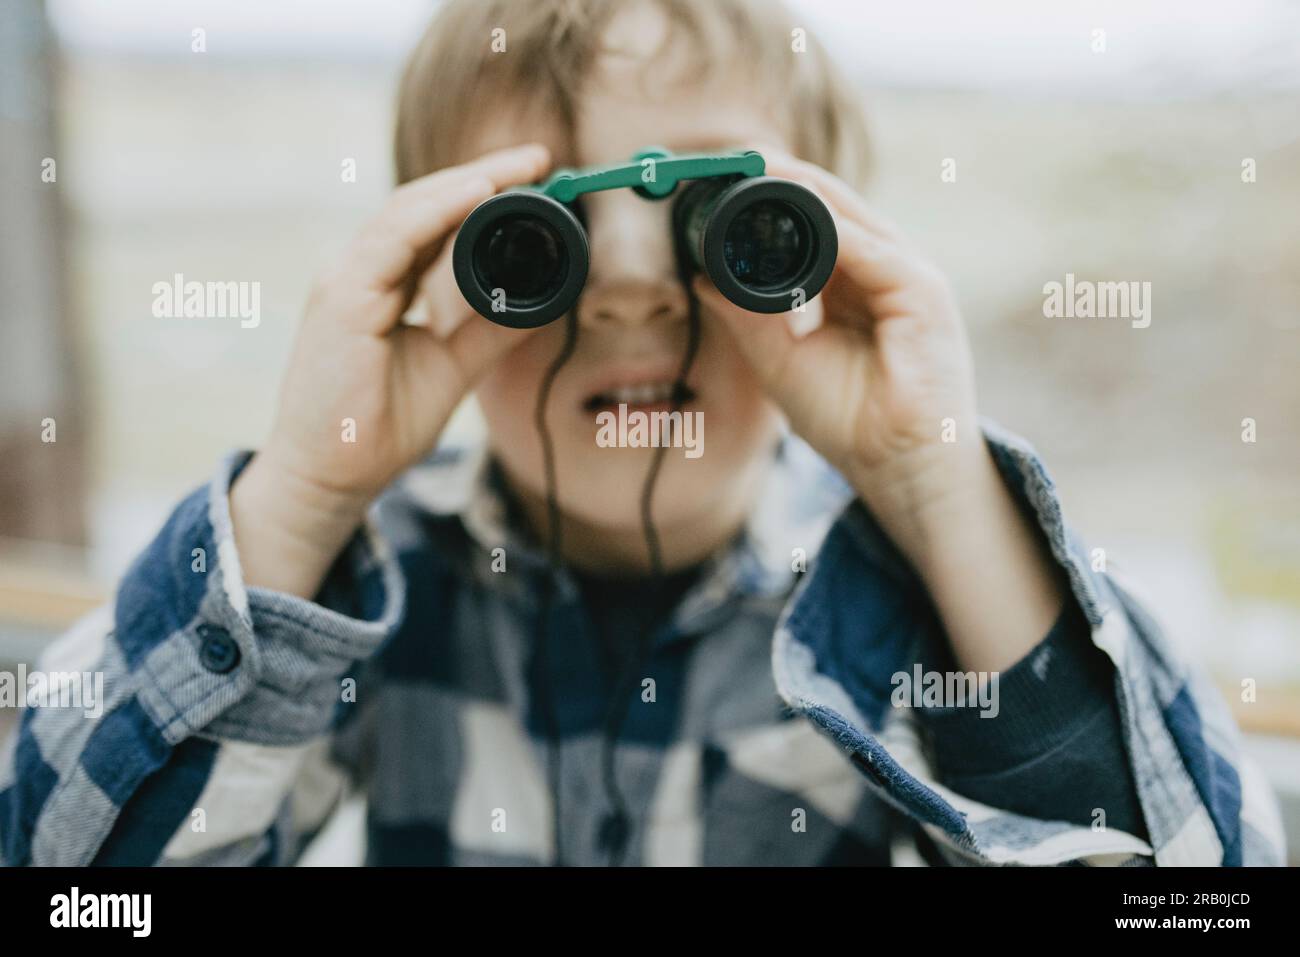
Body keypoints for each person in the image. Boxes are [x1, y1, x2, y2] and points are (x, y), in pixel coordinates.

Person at [0, 0, 1283, 866]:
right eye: (532, 237)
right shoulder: (359, 597)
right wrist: (304, 491)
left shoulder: (905, 616)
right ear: (434, 268)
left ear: (825, 257)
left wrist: (934, 484)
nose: (628, 290)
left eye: (727, 219)